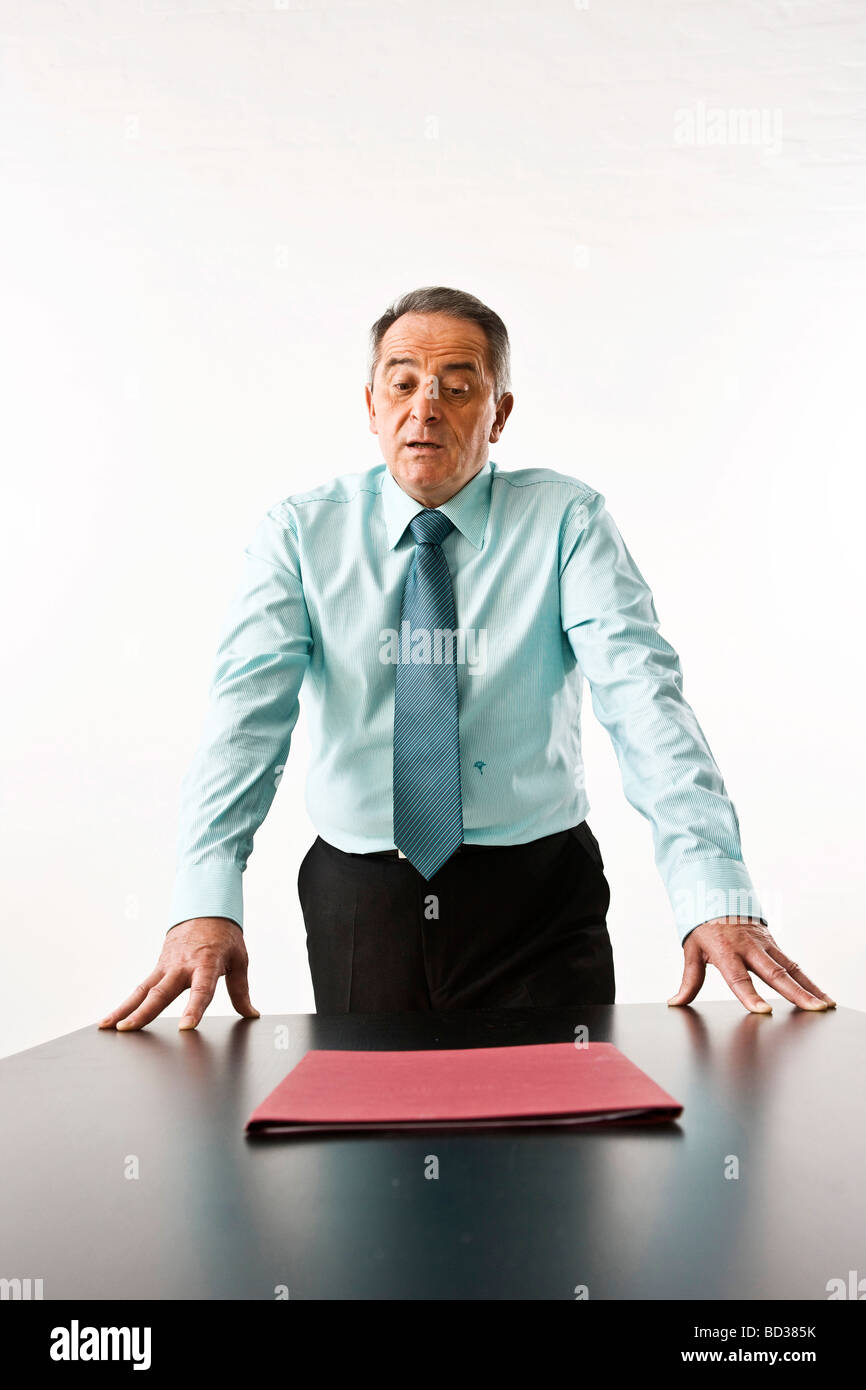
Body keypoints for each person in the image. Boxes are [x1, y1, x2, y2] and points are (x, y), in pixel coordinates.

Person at [100, 286, 835, 1031]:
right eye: (404, 384)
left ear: (499, 413)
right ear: (371, 405)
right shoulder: (298, 534)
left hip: (540, 895)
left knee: (555, 1132)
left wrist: (713, 892)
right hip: (363, 898)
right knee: (375, 1134)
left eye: (458, 388)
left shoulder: (566, 521)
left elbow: (646, 702)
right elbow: (243, 726)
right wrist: (204, 902)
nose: (426, 408)